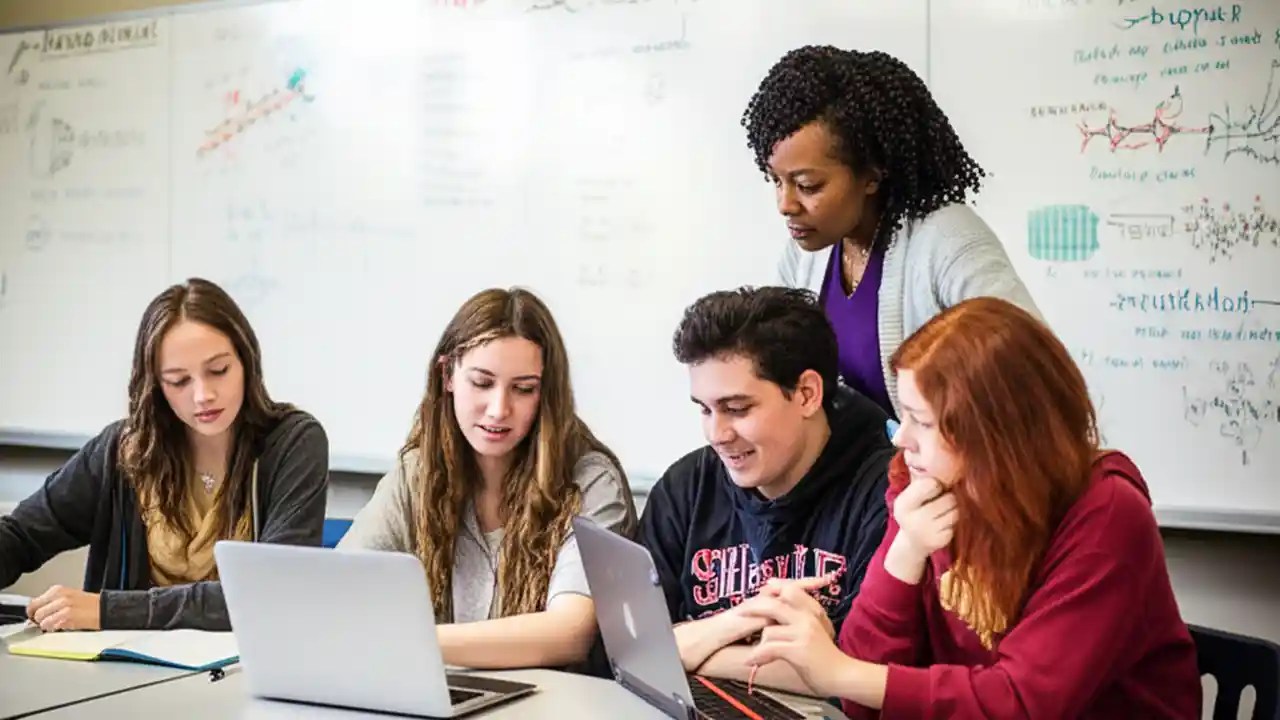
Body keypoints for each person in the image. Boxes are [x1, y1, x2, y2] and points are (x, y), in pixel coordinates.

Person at [737, 297, 1201, 719]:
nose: (902, 439)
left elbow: (1023, 703)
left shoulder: (1107, 514)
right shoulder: (925, 485)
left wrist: (837, 673)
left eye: (922, 422)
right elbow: (865, 704)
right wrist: (904, 554)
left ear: (995, 437)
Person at [0, 278, 330, 631]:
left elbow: (267, 592)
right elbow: (21, 536)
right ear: (155, 385)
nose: (203, 395)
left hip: (240, 674)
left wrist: (109, 611)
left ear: (246, 362)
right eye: (179, 381)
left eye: (219, 370)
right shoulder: (123, 450)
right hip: (123, 676)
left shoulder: (294, 443)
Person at [339, 287, 637, 670]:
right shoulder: (417, 472)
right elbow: (340, 594)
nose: (499, 410)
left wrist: (405, 639)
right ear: (447, 374)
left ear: (546, 394)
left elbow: (568, 634)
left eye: (523, 389)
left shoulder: (591, 482)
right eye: (482, 383)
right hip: (439, 697)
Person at [743, 45, 1040, 418]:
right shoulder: (804, 257)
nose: (785, 204)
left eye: (808, 185)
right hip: (864, 475)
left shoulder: (948, 241)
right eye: (776, 181)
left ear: (871, 175)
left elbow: (1037, 379)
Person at [639, 286, 893, 694]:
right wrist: (731, 624)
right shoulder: (685, 488)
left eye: (737, 409)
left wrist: (686, 647)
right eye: (704, 409)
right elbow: (631, 651)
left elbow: (855, 675)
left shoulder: (882, 495)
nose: (717, 435)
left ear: (807, 394)